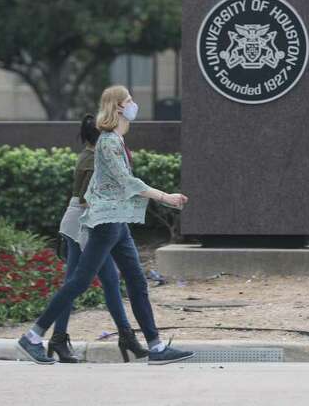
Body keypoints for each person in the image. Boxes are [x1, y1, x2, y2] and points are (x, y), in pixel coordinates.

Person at [17, 85, 193, 366]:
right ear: (119, 107)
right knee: (79, 282)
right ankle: (33, 336)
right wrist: (165, 197)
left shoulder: (117, 141)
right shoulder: (109, 142)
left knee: (136, 280)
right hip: (105, 223)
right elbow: (126, 181)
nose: (135, 105)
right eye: (130, 100)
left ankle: (156, 348)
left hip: (118, 222)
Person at [45, 114, 148, 363]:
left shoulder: (94, 155)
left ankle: (60, 339)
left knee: (92, 280)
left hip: (84, 222)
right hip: (87, 224)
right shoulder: (93, 160)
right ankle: (125, 338)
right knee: (106, 280)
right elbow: (86, 200)